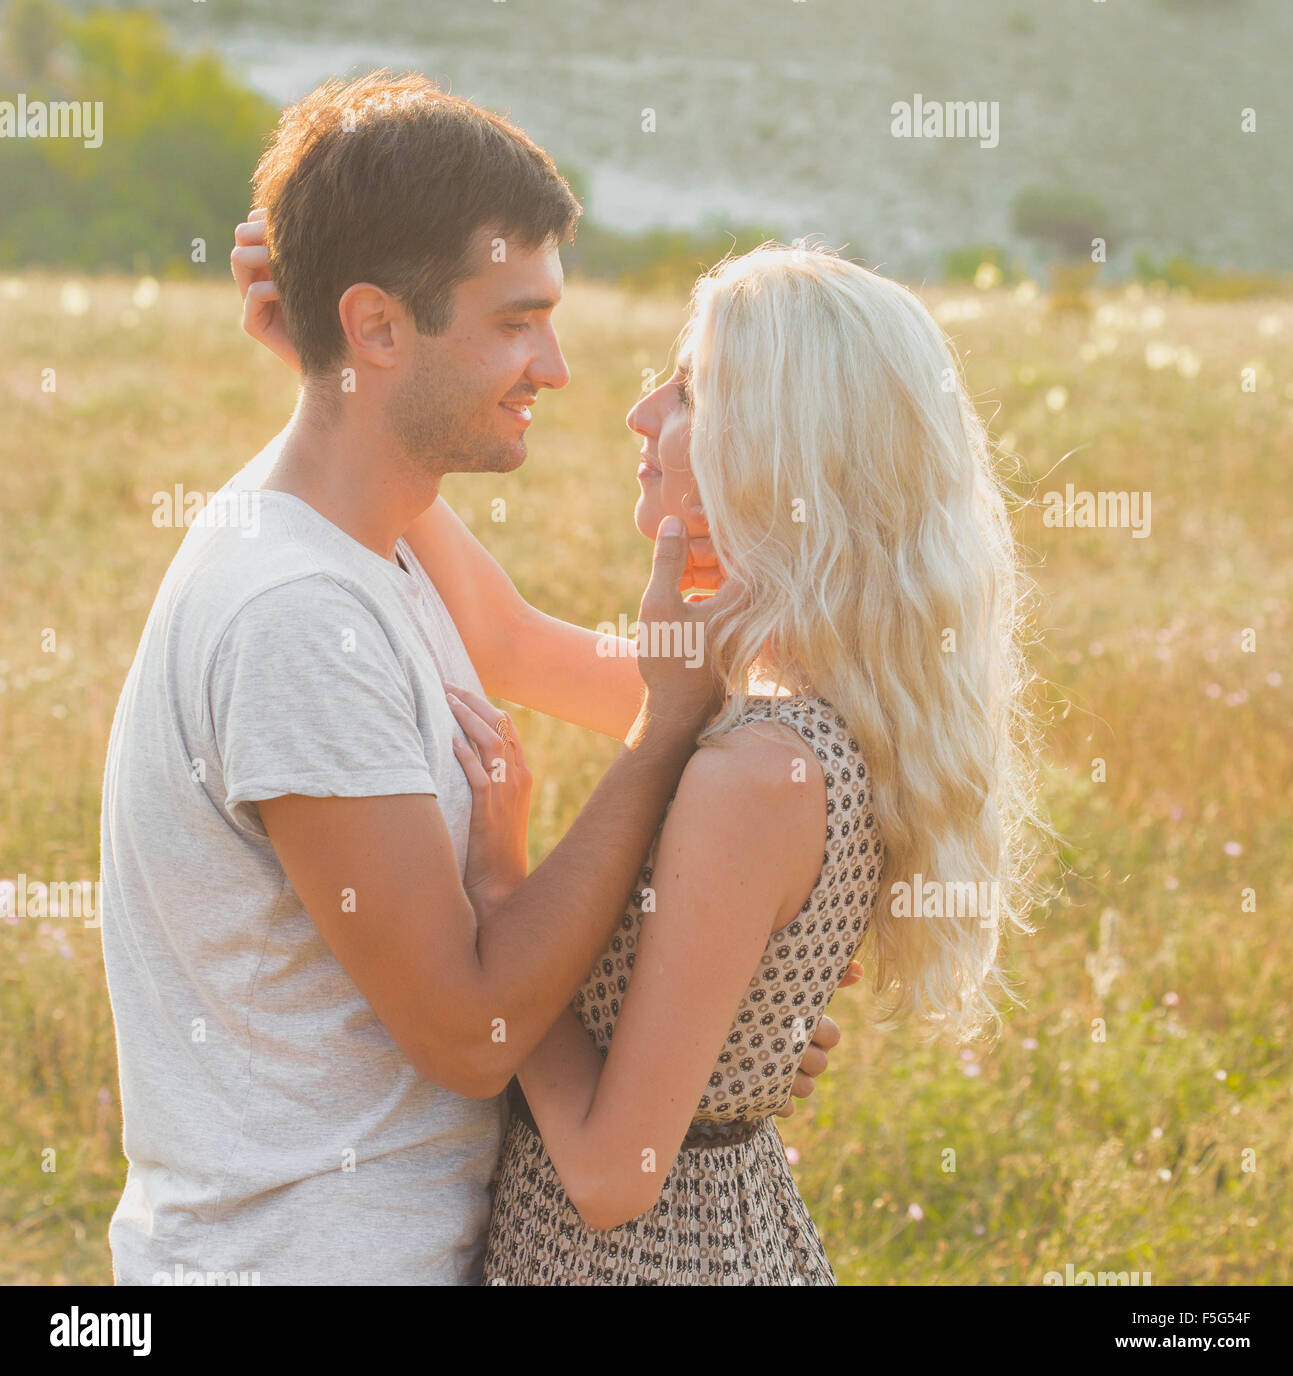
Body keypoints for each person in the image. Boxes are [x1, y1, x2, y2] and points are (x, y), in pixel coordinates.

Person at [100, 70, 840, 1289]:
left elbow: (510, 637)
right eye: (513, 320)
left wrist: (724, 1019)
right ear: (383, 326)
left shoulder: (371, 542)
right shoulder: (299, 618)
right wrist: (656, 741)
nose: (555, 366)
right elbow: (470, 1029)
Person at [235, 238, 1038, 1284]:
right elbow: (509, 640)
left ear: (779, 448)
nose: (639, 413)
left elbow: (615, 1174)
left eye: (690, 389)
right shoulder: (756, 706)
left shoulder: (751, 766)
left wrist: (501, 889)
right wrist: (338, 379)